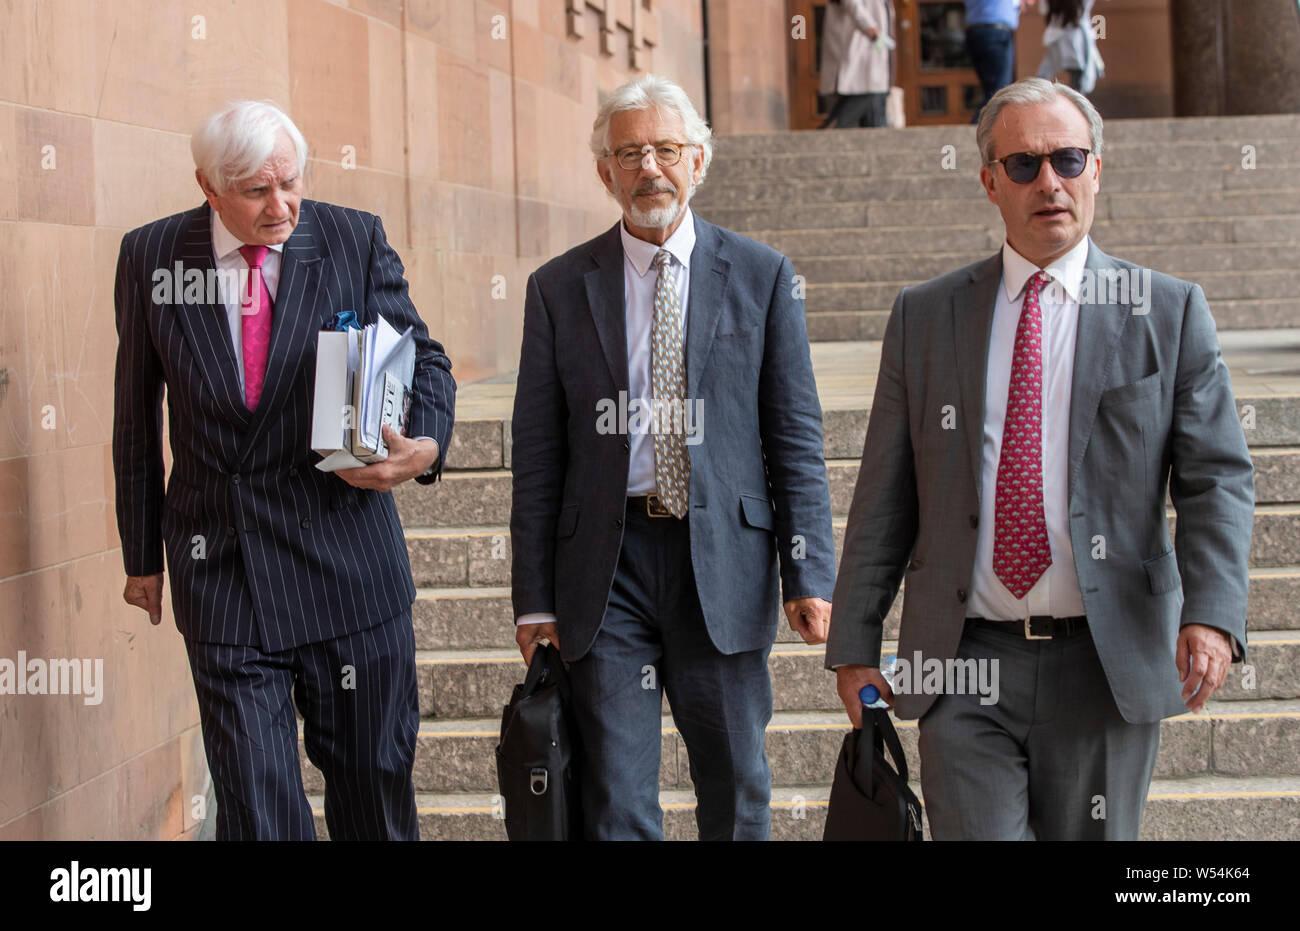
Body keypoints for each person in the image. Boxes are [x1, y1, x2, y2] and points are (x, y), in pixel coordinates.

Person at [825, 78, 1254, 840]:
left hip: (1105, 660)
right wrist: (855, 642)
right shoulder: (926, 316)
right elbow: (885, 491)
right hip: (964, 662)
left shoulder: (1167, 310)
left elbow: (1216, 477)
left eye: (1067, 159)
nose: (1048, 181)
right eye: (1023, 164)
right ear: (989, 181)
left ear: (1097, 169)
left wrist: (1213, 614)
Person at [113, 100, 456, 840]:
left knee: (374, 799)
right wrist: (142, 556)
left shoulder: (352, 238)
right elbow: (136, 416)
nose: (281, 206)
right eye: (256, 191)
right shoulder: (152, 256)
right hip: (224, 571)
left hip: (349, 562)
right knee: (258, 812)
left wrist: (424, 446)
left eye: (291, 183)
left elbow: (425, 359)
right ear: (208, 187)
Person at [510, 74, 836, 841]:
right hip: (606, 567)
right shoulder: (558, 288)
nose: (648, 168)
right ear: (605, 172)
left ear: (698, 160)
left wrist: (808, 570)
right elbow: (538, 453)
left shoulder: (762, 275)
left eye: (664, 149)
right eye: (629, 153)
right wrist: (534, 597)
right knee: (616, 798)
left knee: (737, 785)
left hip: (721, 559)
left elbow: (795, 436)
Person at [819, 0, 896, 129]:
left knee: (874, 114)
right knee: (864, 98)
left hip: (871, 59)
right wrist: (870, 28)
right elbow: (853, 5)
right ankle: (828, 133)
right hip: (858, 54)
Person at [965, 0, 1029, 121]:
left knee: (992, 91)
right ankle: (977, 127)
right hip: (996, 31)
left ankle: (980, 126)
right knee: (999, 92)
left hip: (975, 31)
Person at [1036, 0, 1105, 94]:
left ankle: (1038, 97)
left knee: (1043, 77)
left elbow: (1043, 10)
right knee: (1079, 80)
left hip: (1058, 36)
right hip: (1077, 39)